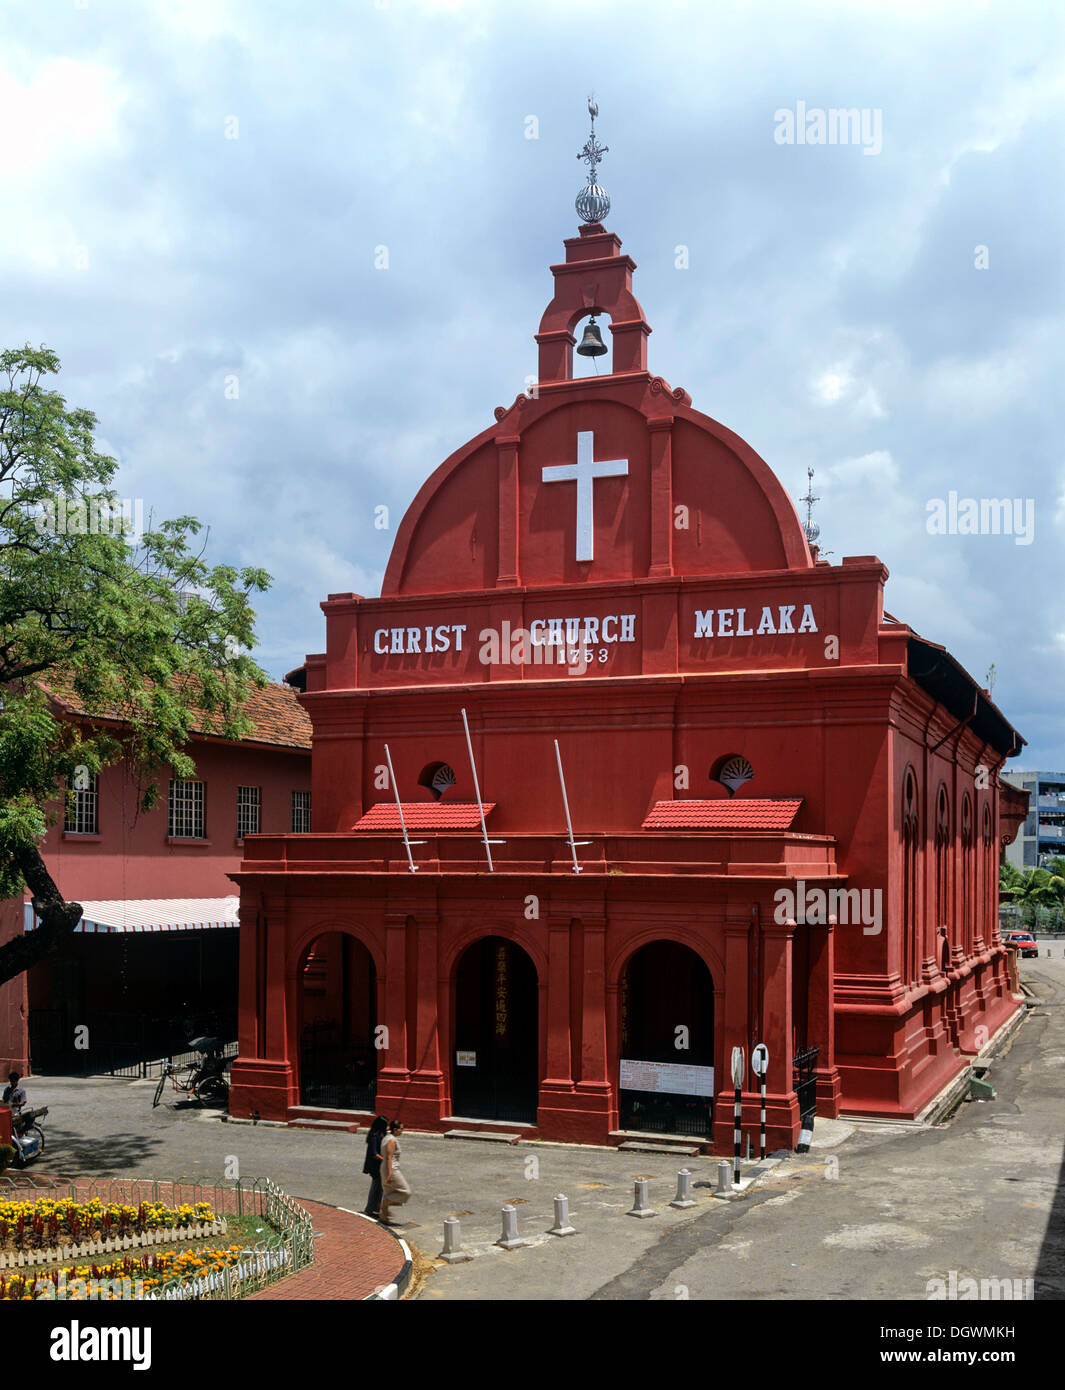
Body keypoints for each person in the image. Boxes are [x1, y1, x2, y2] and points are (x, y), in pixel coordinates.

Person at [379, 1119, 411, 1225]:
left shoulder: (386, 1138)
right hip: (391, 1168)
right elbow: (389, 1157)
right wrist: (389, 1174)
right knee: (406, 1192)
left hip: (386, 1167)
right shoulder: (391, 1140)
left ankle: (383, 1217)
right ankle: (384, 1204)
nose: (402, 1131)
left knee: (389, 1191)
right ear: (395, 1129)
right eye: (401, 1129)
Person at [362, 1115, 389, 1218]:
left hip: (379, 1166)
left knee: (380, 1188)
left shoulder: (380, 1135)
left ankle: (375, 1209)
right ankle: (369, 1209)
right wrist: (385, 1160)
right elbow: (374, 1153)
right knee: (376, 1188)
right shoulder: (374, 1137)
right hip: (375, 1167)